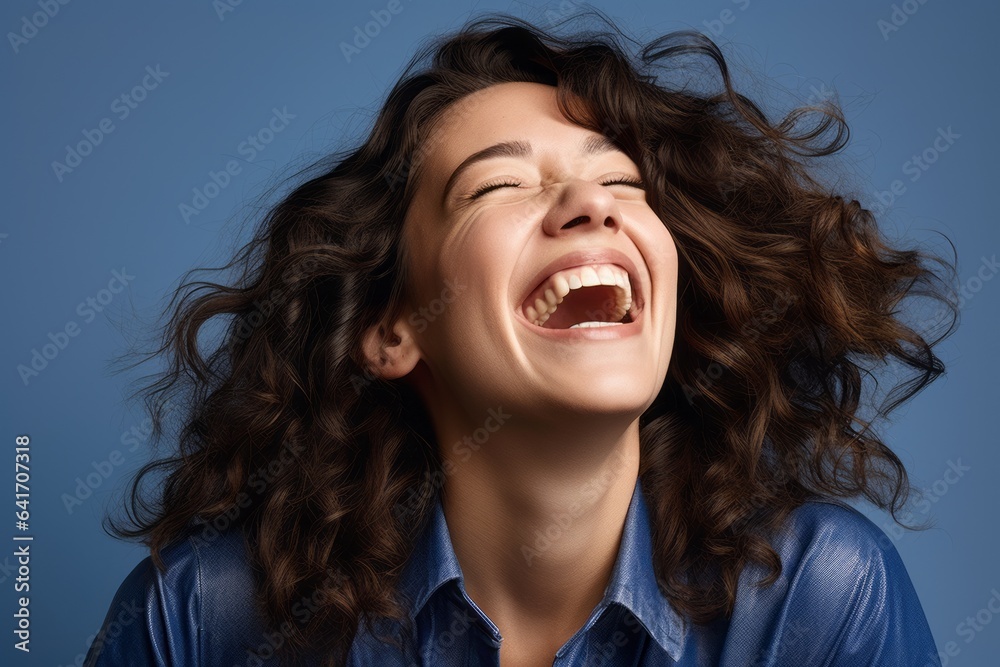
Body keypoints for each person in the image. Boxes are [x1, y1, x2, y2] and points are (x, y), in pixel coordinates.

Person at [84, 10, 958, 667]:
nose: (593, 203)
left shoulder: (823, 597)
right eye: (498, 185)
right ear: (390, 329)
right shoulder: (205, 614)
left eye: (621, 178)